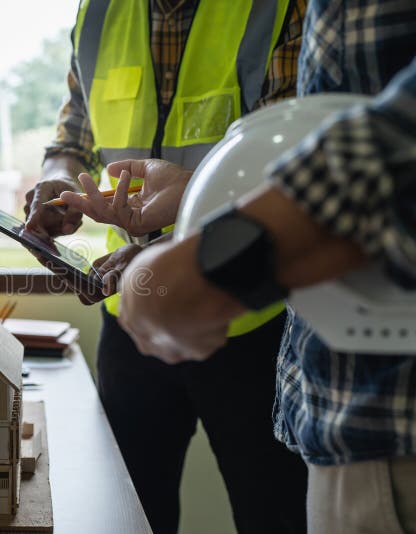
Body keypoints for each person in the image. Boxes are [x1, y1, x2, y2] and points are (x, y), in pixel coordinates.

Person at [116, 1, 416, 532]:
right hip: (340, 408)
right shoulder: (103, 16)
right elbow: (319, 132)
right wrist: (200, 202)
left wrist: (221, 261)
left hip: (390, 416)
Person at [22, 1, 308, 532]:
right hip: (127, 317)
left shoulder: (279, 9)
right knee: (127, 516)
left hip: (251, 319)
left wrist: (179, 244)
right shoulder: (99, 13)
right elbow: (72, 137)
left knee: (274, 514)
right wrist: (58, 180)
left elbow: (293, 160)